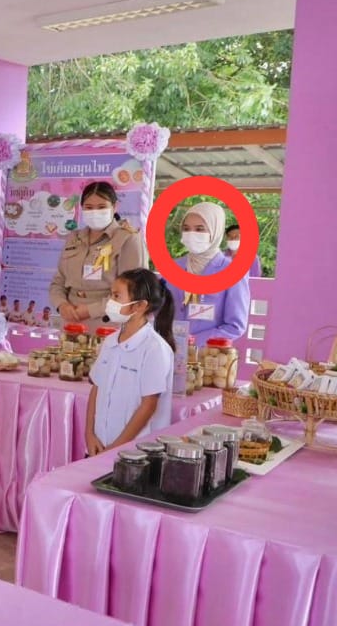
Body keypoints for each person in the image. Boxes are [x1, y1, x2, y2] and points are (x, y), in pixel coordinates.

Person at [86, 269, 176, 456]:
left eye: (116, 296)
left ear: (140, 306)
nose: (110, 301)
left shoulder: (154, 349)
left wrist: (116, 448)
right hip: (99, 445)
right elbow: (96, 389)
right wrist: (89, 434)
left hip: (134, 453)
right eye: (111, 295)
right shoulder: (110, 342)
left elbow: (148, 406)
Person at [49, 181, 147, 323]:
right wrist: (61, 305)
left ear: (114, 207)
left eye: (101, 207)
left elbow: (134, 290)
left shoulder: (128, 238)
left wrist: (90, 310)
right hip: (71, 318)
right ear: (82, 208)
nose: (95, 212)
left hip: (107, 320)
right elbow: (58, 282)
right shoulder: (74, 238)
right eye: (89, 207)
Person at [167, 201, 251, 344]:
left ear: (215, 231)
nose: (191, 234)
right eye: (186, 229)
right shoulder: (174, 266)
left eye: (200, 229)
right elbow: (160, 310)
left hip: (207, 353)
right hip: (170, 349)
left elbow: (235, 326)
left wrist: (194, 341)